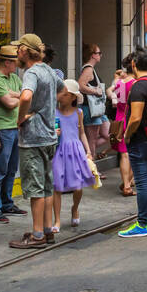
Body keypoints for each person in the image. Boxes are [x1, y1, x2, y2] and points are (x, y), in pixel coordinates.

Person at [10, 33, 62, 249]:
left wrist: (22, 117)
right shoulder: (48, 70)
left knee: (35, 188)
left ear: (24, 51)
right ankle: (48, 230)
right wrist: (46, 108)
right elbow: (63, 89)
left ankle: (37, 234)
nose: (16, 53)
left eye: (17, 49)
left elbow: (25, 97)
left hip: (33, 138)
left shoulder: (31, 72)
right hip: (49, 136)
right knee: (47, 186)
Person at [119, 51, 147, 238]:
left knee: (142, 182)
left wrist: (127, 135)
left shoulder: (139, 87)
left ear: (134, 65)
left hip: (141, 140)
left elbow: (136, 117)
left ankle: (142, 224)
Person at [49, 79, 99, 232]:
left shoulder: (78, 113)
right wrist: (53, 133)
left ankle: (74, 208)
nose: (60, 96)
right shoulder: (53, 112)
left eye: (64, 94)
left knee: (77, 186)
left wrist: (88, 151)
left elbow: (82, 132)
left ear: (72, 97)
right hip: (59, 150)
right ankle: (57, 220)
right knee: (57, 186)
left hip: (75, 150)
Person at [0, 43, 25, 224]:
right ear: (7, 62)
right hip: (2, 128)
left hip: (15, 127)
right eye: (15, 62)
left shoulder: (13, 77)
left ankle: (7, 203)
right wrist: (17, 96)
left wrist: (15, 95)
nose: (17, 65)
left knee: (11, 169)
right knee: (0, 170)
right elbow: (9, 103)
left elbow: (25, 97)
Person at [79, 44, 111, 160]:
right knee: (91, 140)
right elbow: (80, 86)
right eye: (99, 53)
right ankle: (92, 169)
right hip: (91, 109)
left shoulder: (91, 69)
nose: (101, 55)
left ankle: (83, 153)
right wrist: (94, 91)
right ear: (93, 55)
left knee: (107, 134)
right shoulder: (88, 69)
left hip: (97, 109)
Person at [109, 60, 136, 197]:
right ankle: (128, 182)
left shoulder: (119, 83)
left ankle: (126, 184)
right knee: (135, 153)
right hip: (132, 118)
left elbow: (112, 96)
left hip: (119, 119)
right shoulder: (136, 83)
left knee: (124, 154)